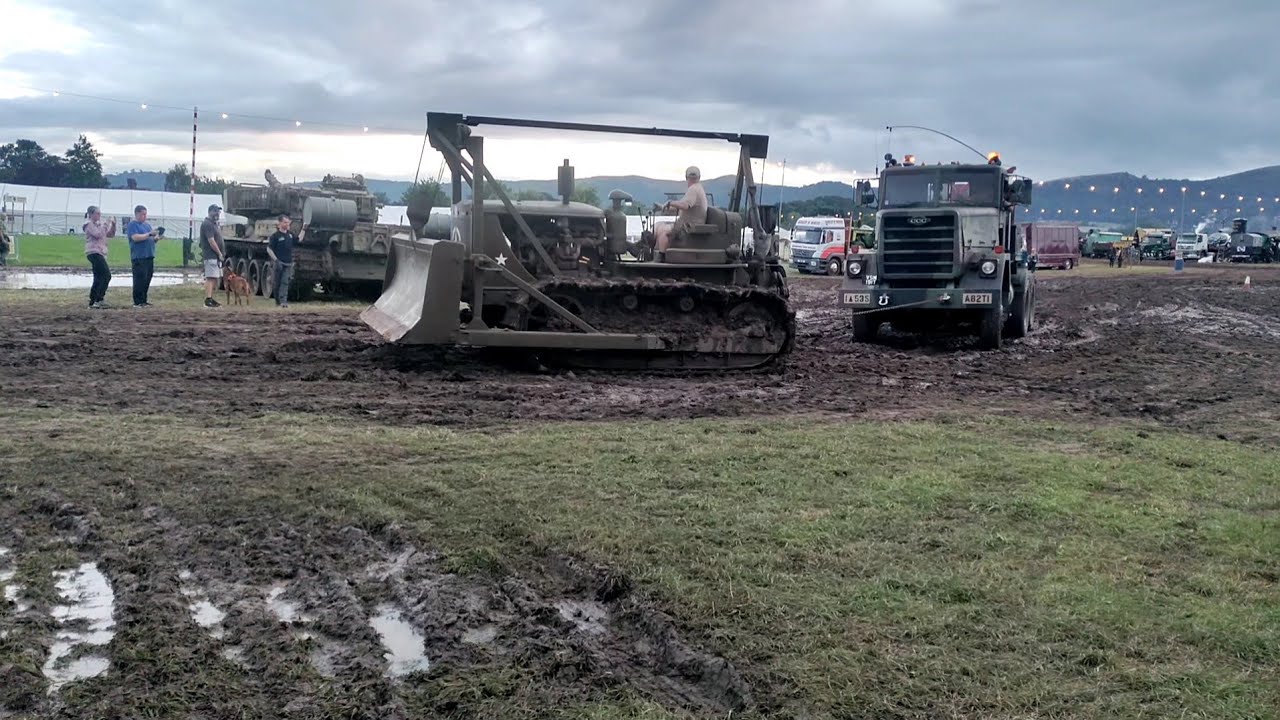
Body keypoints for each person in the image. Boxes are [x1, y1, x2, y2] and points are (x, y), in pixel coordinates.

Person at [654, 166, 708, 259]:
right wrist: (664, 207)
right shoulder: (698, 189)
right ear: (699, 177)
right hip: (691, 225)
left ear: (686, 177)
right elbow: (683, 206)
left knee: (661, 230)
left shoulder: (694, 189)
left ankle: (661, 256)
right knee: (658, 225)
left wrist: (670, 202)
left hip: (688, 228)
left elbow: (685, 205)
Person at [266, 214, 306, 307]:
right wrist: (276, 260)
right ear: (280, 223)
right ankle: (277, 302)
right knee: (277, 283)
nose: (287, 224)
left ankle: (283, 301)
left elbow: (299, 239)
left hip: (288, 263)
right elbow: (269, 249)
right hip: (278, 262)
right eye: (285, 222)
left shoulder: (290, 235)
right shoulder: (275, 236)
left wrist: (303, 229)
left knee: (285, 282)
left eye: (288, 222)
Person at [124, 205, 160, 307]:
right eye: (142, 214)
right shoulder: (132, 225)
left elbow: (150, 239)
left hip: (149, 255)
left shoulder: (147, 225)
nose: (144, 216)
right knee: (139, 279)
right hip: (139, 256)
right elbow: (135, 238)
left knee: (147, 278)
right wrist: (149, 234)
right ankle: (137, 301)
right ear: (137, 214)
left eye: (145, 214)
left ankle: (144, 299)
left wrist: (156, 238)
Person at [83, 206, 116, 308]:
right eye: (97, 213)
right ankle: (99, 299)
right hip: (94, 252)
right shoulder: (88, 225)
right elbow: (98, 234)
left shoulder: (99, 225)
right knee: (106, 275)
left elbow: (109, 235)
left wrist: (113, 225)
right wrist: (106, 224)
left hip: (100, 252)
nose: (99, 215)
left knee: (98, 277)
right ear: (91, 214)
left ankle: (93, 300)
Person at [199, 204, 227, 308]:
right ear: (210, 212)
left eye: (218, 212)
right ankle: (208, 299)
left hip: (214, 256)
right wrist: (219, 253)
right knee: (210, 277)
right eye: (215, 212)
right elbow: (211, 241)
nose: (217, 214)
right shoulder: (207, 224)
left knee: (214, 277)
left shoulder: (214, 224)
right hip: (211, 255)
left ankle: (210, 298)